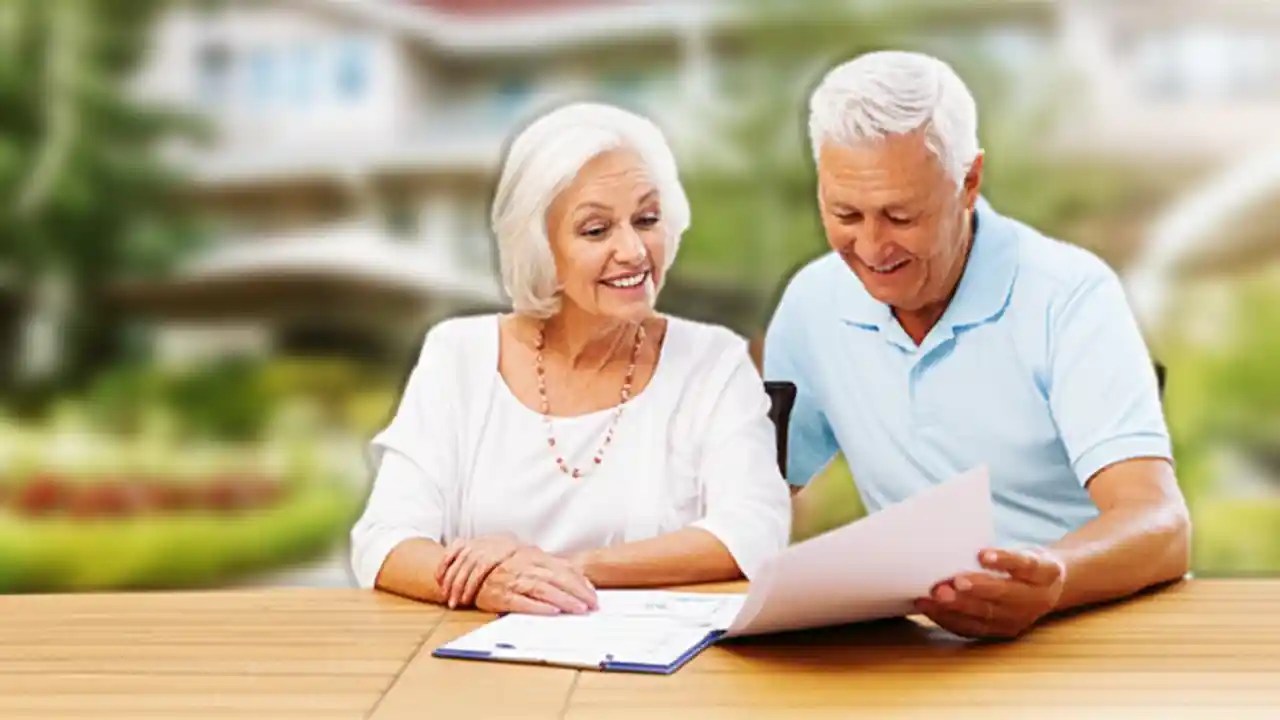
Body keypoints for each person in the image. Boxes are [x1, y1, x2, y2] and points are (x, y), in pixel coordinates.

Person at [765, 51, 1191, 639]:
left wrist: (1056, 578)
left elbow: (1162, 523)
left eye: (899, 215)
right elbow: (755, 498)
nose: (871, 247)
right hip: (922, 646)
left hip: (1083, 629)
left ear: (969, 181)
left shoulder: (1068, 295)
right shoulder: (813, 303)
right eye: (845, 213)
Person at [351, 103, 790, 614]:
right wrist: (489, 584)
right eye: (596, 230)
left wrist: (566, 571)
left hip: (659, 675)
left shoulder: (714, 361)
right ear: (540, 250)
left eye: (646, 220)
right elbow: (384, 541)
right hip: (475, 669)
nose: (633, 251)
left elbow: (754, 532)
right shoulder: (458, 355)